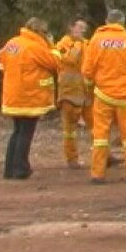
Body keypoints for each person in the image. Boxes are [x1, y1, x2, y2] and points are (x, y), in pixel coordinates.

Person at [81, 9, 126, 184]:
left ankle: (97, 174)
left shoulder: (96, 41)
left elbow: (86, 70)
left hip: (103, 96)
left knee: (101, 137)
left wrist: (90, 85)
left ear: (106, 21)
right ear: (122, 22)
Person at [0, 17, 59, 180]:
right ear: (39, 32)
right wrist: (52, 46)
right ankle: (20, 169)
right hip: (29, 97)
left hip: (12, 96)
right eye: (45, 32)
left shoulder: (13, 43)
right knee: (25, 133)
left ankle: (9, 169)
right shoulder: (35, 47)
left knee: (17, 132)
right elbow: (55, 63)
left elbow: (0, 61)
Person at [55, 17, 93, 168]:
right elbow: (69, 59)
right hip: (69, 93)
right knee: (70, 129)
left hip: (86, 93)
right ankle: (72, 159)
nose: (83, 30)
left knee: (96, 126)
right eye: (80, 27)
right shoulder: (62, 44)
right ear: (71, 27)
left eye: (85, 28)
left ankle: (104, 156)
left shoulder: (87, 43)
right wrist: (77, 45)